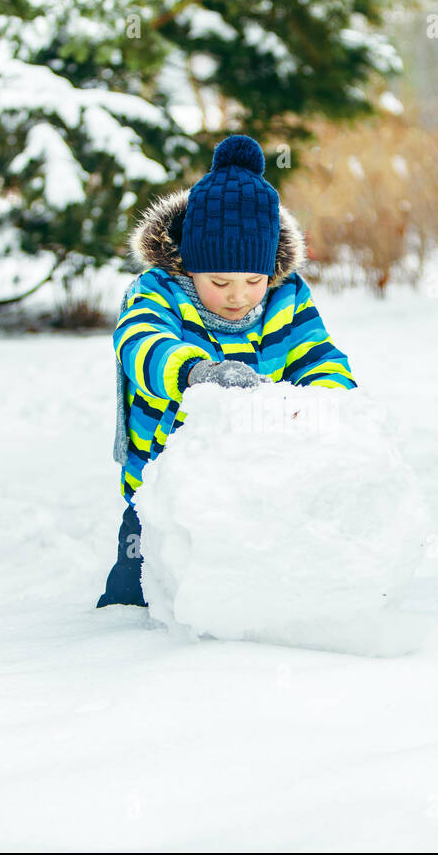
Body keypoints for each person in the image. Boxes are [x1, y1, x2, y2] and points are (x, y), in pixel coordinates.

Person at [96, 134, 358, 608]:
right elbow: (140, 343)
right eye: (219, 282)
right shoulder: (156, 290)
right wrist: (194, 373)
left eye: (252, 280)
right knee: (136, 588)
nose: (238, 295)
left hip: (246, 474)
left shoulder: (286, 296)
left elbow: (318, 356)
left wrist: (329, 403)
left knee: (235, 577)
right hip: (159, 477)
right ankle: (122, 641)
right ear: (191, 265)